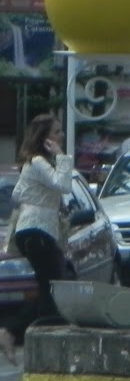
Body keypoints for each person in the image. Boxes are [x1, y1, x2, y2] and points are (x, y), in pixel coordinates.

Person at [1, 114, 75, 360]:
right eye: (56, 132)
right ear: (45, 139)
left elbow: (22, 194)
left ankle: (23, 335)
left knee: (49, 288)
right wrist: (63, 156)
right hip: (37, 231)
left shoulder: (33, 165)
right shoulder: (39, 163)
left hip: (33, 231)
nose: (60, 135)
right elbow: (63, 184)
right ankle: (14, 332)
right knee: (53, 286)